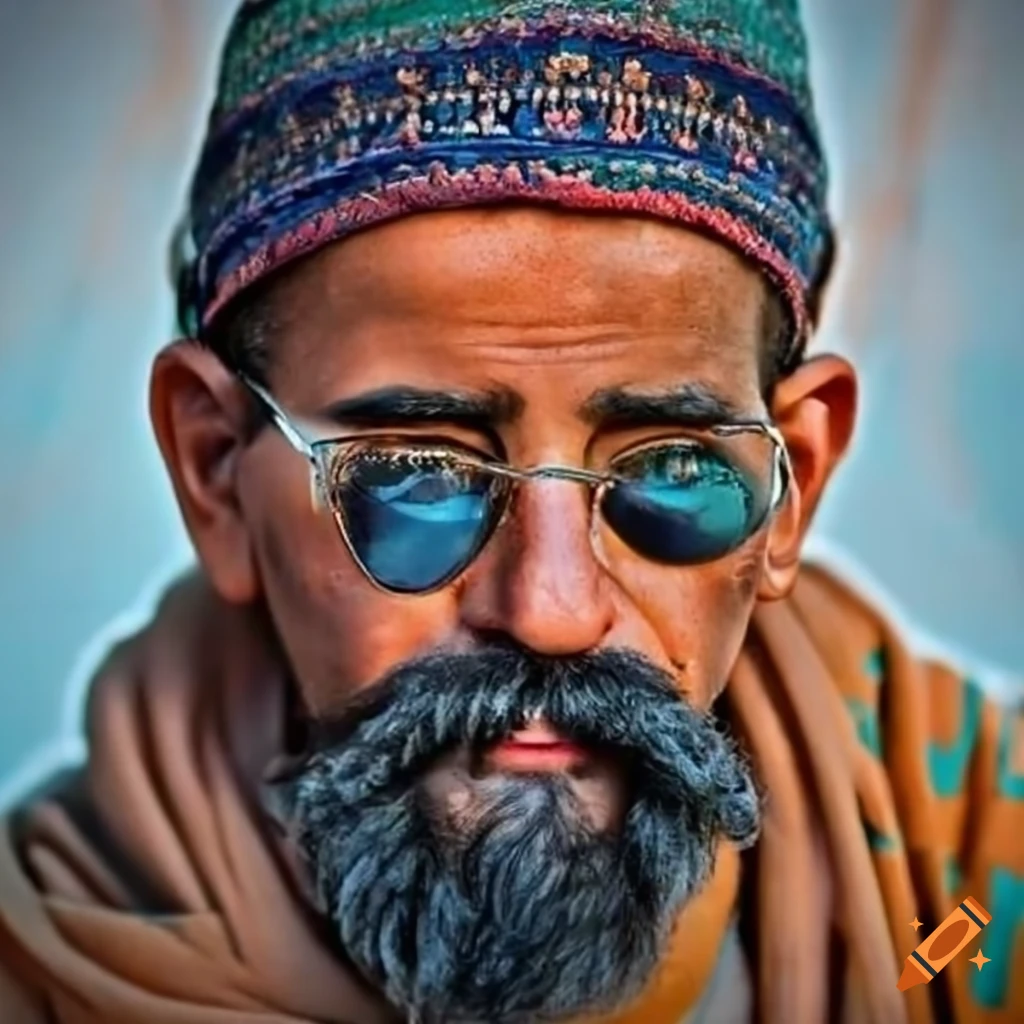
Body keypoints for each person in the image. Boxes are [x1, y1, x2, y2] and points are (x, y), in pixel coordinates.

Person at [0, 1, 1021, 1022]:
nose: (553, 610)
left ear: (795, 480)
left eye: (671, 468)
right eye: (420, 475)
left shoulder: (976, 897)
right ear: (216, 470)